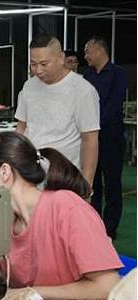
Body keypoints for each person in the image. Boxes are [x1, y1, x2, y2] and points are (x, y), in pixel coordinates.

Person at [0, 132, 122, 300]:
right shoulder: (3, 221)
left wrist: (32, 293)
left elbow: (109, 287)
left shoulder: (67, 208)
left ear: (4, 172)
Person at [15, 33, 100, 187]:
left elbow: (90, 139)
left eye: (44, 63)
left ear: (61, 57)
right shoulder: (29, 87)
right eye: (33, 64)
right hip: (30, 175)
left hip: (64, 177)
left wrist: (87, 184)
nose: (38, 70)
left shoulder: (82, 90)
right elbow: (21, 127)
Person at [84, 36, 128, 240]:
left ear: (100, 50)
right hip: (91, 139)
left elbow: (114, 104)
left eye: (88, 51)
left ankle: (110, 228)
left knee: (112, 184)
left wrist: (93, 124)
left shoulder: (118, 74)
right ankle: (94, 225)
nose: (85, 56)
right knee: (92, 183)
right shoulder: (88, 75)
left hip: (110, 138)